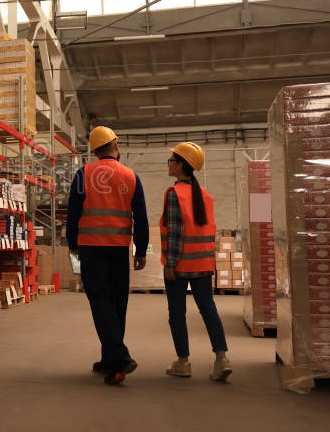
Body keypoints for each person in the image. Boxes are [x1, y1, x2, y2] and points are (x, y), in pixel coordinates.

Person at [67, 126, 149, 385]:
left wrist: (72, 242)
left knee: (101, 301)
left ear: (94, 150)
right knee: (117, 303)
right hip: (119, 249)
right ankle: (110, 361)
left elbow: (73, 212)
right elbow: (141, 217)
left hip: (92, 248)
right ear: (115, 145)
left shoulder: (84, 174)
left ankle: (120, 357)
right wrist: (141, 249)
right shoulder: (131, 176)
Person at [160, 142, 232, 381]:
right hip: (202, 263)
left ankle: (183, 362)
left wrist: (171, 264)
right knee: (208, 309)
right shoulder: (205, 195)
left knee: (177, 313)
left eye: (171, 160)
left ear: (181, 165)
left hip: (180, 265)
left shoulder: (174, 194)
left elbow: (175, 232)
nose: (169, 164)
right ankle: (222, 359)